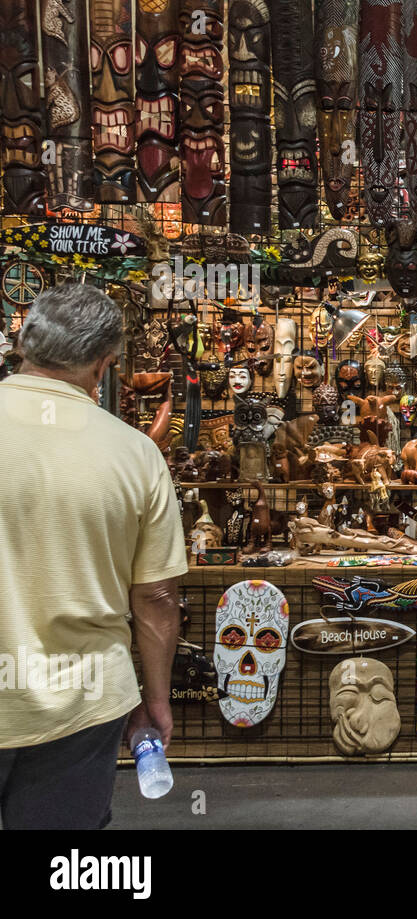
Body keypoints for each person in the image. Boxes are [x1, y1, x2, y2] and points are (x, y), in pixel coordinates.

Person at [0, 284, 188, 829]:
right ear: (104, 366)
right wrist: (155, 698)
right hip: (80, 704)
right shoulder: (135, 453)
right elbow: (155, 597)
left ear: (24, 343)